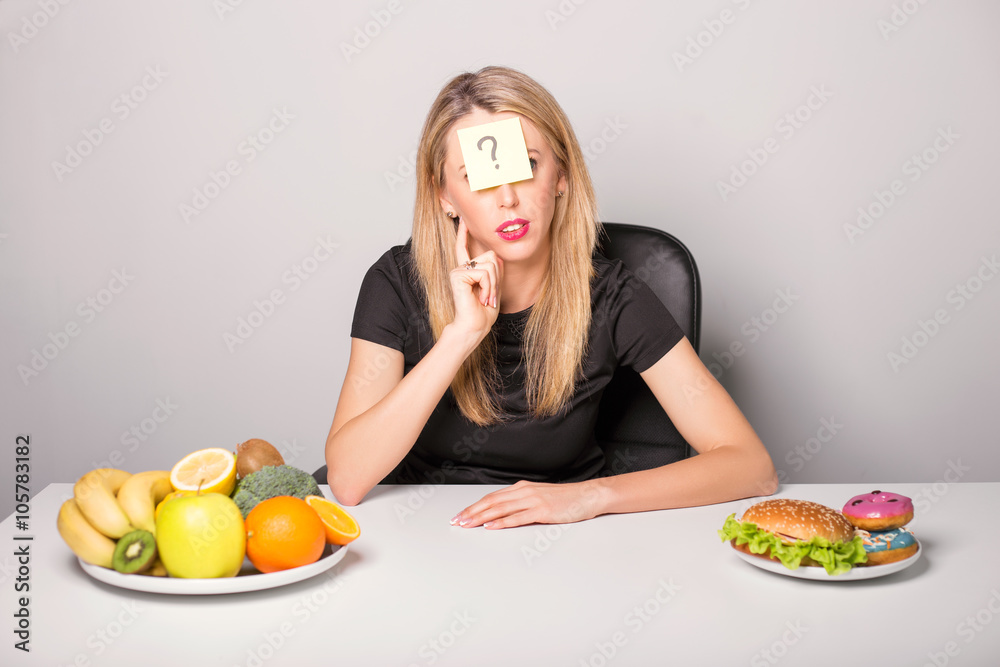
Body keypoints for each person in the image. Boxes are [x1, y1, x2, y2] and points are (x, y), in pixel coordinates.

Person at [325, 66, 777, 528]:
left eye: (527, 166)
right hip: (417, 529)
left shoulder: (612, 297)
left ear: (561, 175)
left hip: (561, 540)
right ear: (444, 196)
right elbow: (347, 479)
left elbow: (751, 466)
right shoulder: (396, 282)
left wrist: (591, 497)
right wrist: (459, 338)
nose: (507, 198)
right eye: (478, 177)